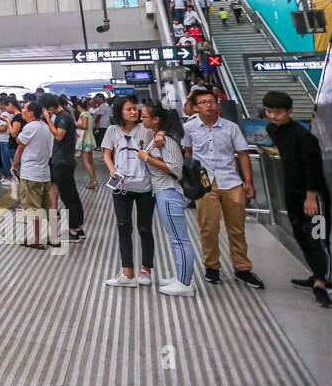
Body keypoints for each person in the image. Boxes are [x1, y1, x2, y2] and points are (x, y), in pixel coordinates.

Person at [183, 90, 264, 289]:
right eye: (203, 102)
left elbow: (243, 154)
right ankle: (212, 267)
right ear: (195, 107)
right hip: (205, 184)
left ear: (218, 105)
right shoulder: (189, 128)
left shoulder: (231, 128)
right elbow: (188, 153)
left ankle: (242, 268)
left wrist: (248, 182)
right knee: (208, 227)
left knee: (237, 228)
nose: (208, 105)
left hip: (231, 182)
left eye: (211, 101)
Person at [263, 91, 332, 308]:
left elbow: (314, 170)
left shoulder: (305, 138)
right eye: (269, 112)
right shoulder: (273, 130)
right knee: (301, 235)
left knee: (317, 237)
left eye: (278, 112)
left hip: (312, 196)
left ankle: (322, 284)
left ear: (290, 112)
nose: (273, 116)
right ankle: (315, 274)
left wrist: (311, 197)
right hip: (292, 193)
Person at [102, 95, 156, 287]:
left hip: (145, 186)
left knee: (144, 228)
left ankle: (146, 270)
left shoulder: (146, 130)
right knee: (123, 228)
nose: (134, 112)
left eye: (135, 108)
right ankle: (128, 273)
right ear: (120, 112)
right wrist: (112, 169)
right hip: (121, 186)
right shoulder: (112, 130)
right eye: (129, 109)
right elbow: (107, 154)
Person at [142, 104, 195, 296]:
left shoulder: (168, 142)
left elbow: (175, 170)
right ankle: (181, 277)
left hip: (169, 192)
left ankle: (184, 283)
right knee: (176, 239)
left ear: (156, 120)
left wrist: (147, 158)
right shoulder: (159, 137)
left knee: (179, 240)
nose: (142, 120)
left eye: (145, 117)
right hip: (163, 192)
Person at [40, 94, 85, 242]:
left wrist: (47, 120)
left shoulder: (63, 117)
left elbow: (59, 136)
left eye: (47, 109)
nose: (47, 112)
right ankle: (78, 228)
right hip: (66, 160)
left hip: (62, 162)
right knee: (72, 195)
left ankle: (73, 231)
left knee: (67, 197)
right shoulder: (65, 116)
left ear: (50, 106)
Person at [12, 101, 53, 248]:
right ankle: (51, 236)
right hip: (44, 173)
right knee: (46, 207)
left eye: (24, 108)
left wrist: (14, 165)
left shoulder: (30, 127)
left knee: (33, 208)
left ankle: (36, 239)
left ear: (31, 113)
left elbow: (19, 145)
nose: (22, 110)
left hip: (31, 174)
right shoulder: (46, 127)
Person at [0, 96, 18, 189]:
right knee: (11, 159)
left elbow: (3, 128)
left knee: (6, 160)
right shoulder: (12, 114)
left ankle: (9, 177)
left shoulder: (5, 114)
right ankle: (12, 177)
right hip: (8, 139)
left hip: (4, 139)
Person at [78, 96, 98, 188]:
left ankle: (92, 182)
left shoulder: (83, 114)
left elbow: (84, 126)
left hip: (85, 140)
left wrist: (75, 124)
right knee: (91, 161)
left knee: (85, 161)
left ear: (79, 106)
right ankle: (94, 179)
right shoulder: (89, 114)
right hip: (91, 139)